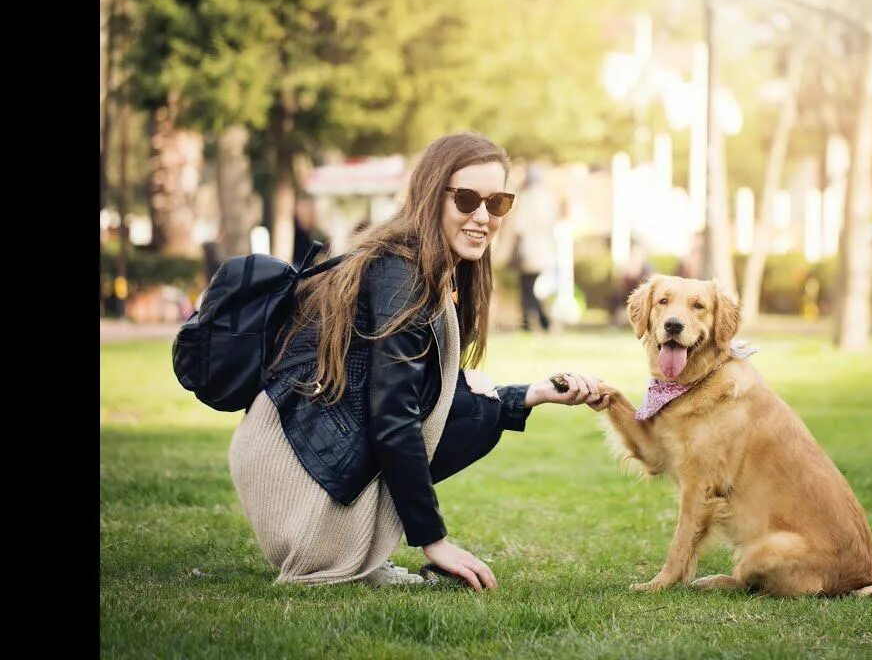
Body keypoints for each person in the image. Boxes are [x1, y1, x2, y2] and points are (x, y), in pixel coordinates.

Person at [228, 132, 610, 591]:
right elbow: (393, 416)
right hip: (294, 474)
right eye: (466, 199)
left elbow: (413, 397)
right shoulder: (402, 273)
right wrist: (433, 541)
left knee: (481, 406)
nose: (482, 217)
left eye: (498, 203)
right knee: (470, 406)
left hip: (311, 454)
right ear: (432, 196)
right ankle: (344, 546)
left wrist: (533, 394)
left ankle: (362, 544)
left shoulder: (434, 267)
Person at [506, 165, 558, 332]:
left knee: (528, 288)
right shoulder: (547, 197)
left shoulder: (526, 199)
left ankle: (536, 321)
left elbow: (519, 226)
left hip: (528, 249)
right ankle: (539, 321)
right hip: (543, 251)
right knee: (535, 288)